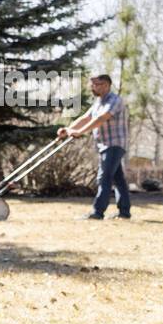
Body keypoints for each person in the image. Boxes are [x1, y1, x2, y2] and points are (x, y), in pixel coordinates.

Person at [58, 73, 132, 220]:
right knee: (118, 179)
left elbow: (101, 118)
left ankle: (97, 212)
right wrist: (68, 130)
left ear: (106, 85)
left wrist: (80, 132)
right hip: (104, 145)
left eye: (96, 84)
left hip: (114, 144)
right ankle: (124, 212)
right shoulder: (98, 102)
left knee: (104, 177)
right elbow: (86, 118)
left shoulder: (114, 101)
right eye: (92, 85)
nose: (93, 87)